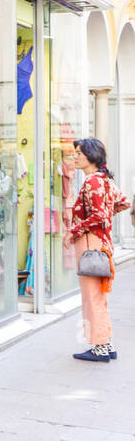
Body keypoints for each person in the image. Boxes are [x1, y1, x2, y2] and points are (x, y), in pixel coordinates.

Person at [66, 138, 130, 362]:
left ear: (90, 156)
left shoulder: (92, 182)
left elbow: (100, 215)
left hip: (89, 243)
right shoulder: (105, 180)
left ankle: (100, 347)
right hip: (101, 241)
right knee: (99, 296)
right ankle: (106, 343)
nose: (75, 157)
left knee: (92, 297)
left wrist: (74, 230)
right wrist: (104, 221)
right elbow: (123, 202)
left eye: (78, 153)